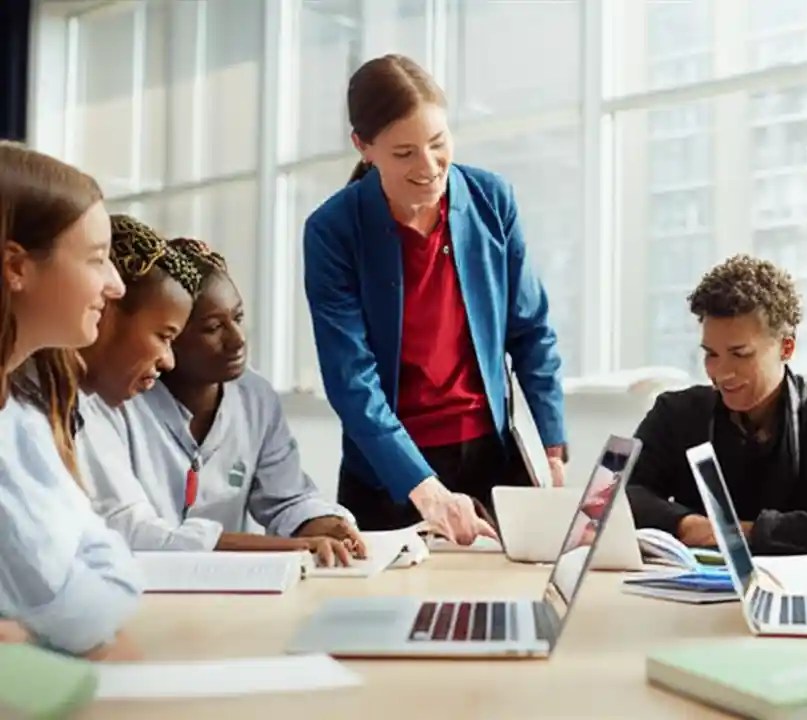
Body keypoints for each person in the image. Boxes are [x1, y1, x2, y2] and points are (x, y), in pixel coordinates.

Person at [304, 54, 567, 543]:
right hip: (389, 474)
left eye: (438, 143)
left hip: (492, 460)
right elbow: (350, 377)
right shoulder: (332, 231)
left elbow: (531, 330)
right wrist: (423, 489)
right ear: (363, 147)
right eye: (404, 153)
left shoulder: (493, 199)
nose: (428, 167)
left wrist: (552, 444)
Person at [77, 222, 363, 567]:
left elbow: (288, 499)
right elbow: (133, 530)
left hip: (227, 588)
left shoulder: (254, 397)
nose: (238, 340)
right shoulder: (108, 398)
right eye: (212, 328)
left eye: (238, 318)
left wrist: (324, 524)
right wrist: (288, 548)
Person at [626, 255, 807, 555]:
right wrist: (685, 525)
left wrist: (746, 534)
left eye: (740, 354)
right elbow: (612, 497)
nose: (721, 373)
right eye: (711, 354)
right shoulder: (675, 412)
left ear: (786, 347)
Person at [0, 141, 140, 659]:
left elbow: (115, 572)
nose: (116, 285)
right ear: (16, 266)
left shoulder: (24, 420)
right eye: (97, 259)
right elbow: (80, 615)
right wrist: (59, 626)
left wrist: (38, 631)